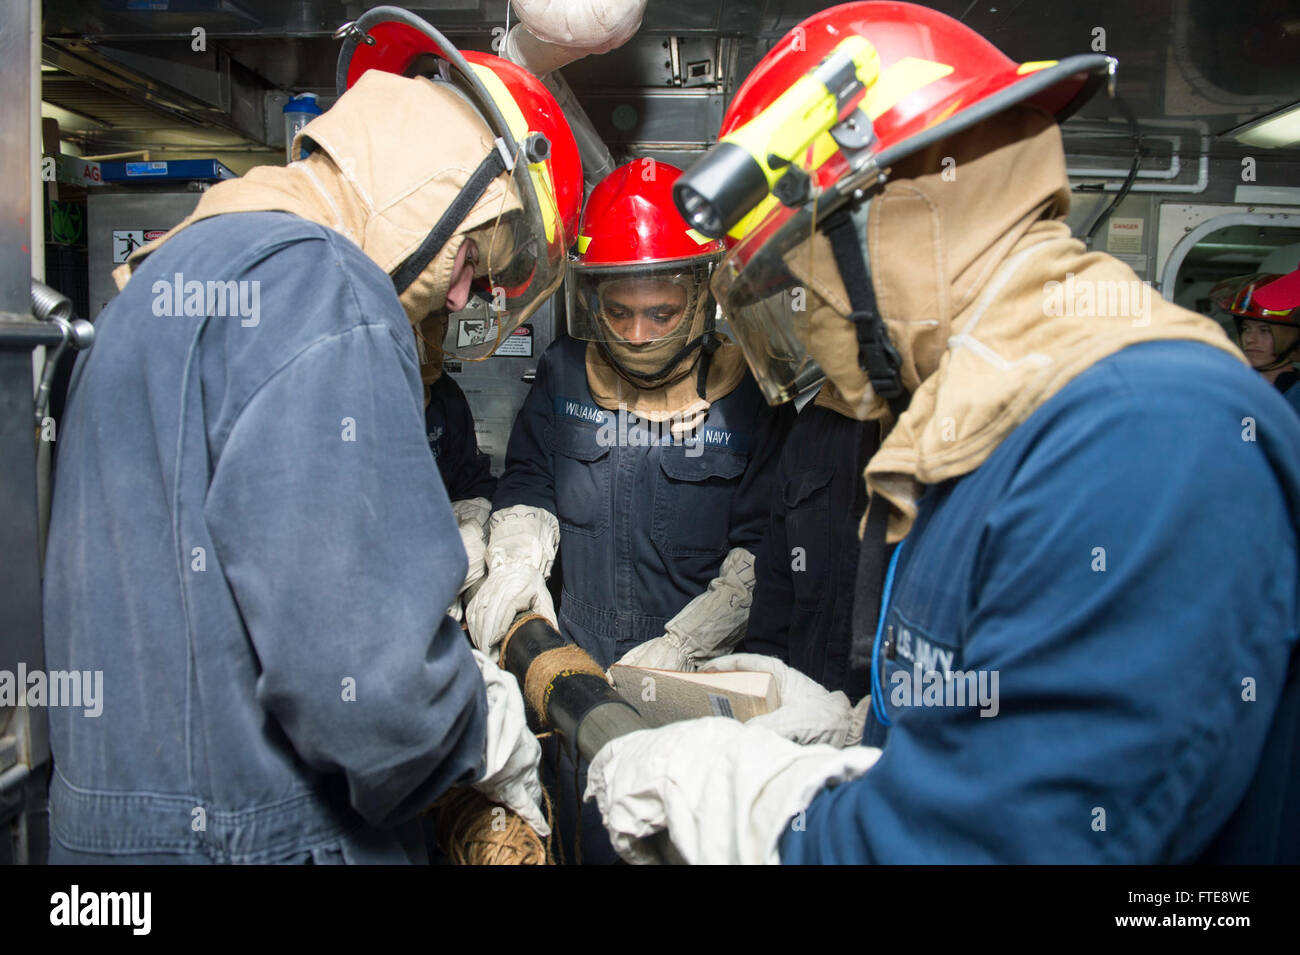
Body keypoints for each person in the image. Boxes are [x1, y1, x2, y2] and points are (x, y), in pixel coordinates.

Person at [584, 0, 1300, 864]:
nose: (803, 329)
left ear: (880, 226)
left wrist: (764, 806)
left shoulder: (1145, 435)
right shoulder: (975, 423)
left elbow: (1004, 845)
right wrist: (864, 740)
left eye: (796, 280)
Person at [41, 13, 582, 864]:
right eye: (471, 260)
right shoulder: (323, 285)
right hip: (257, 838)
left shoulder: (169, 274)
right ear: (439, 186)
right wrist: (487, 732)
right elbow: (373, 696)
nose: (457, 299)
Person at [465, 159, 792, 861]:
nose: (638, 335)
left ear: (702, 296)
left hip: (691, 697)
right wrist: (517, 562)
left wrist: (684, 644)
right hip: (568, 682)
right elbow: (526, 480)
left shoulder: (746, 396)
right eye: (619, 313)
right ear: (594, 302)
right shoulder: (563, 371)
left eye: (661, 314)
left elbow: (763, 546)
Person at [1211, 272, 1300, 415]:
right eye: (1246, 329)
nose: (1250, 339)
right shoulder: (1224, 389)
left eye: (1264, 330)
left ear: (1292, 338)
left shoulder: (1295, 397)